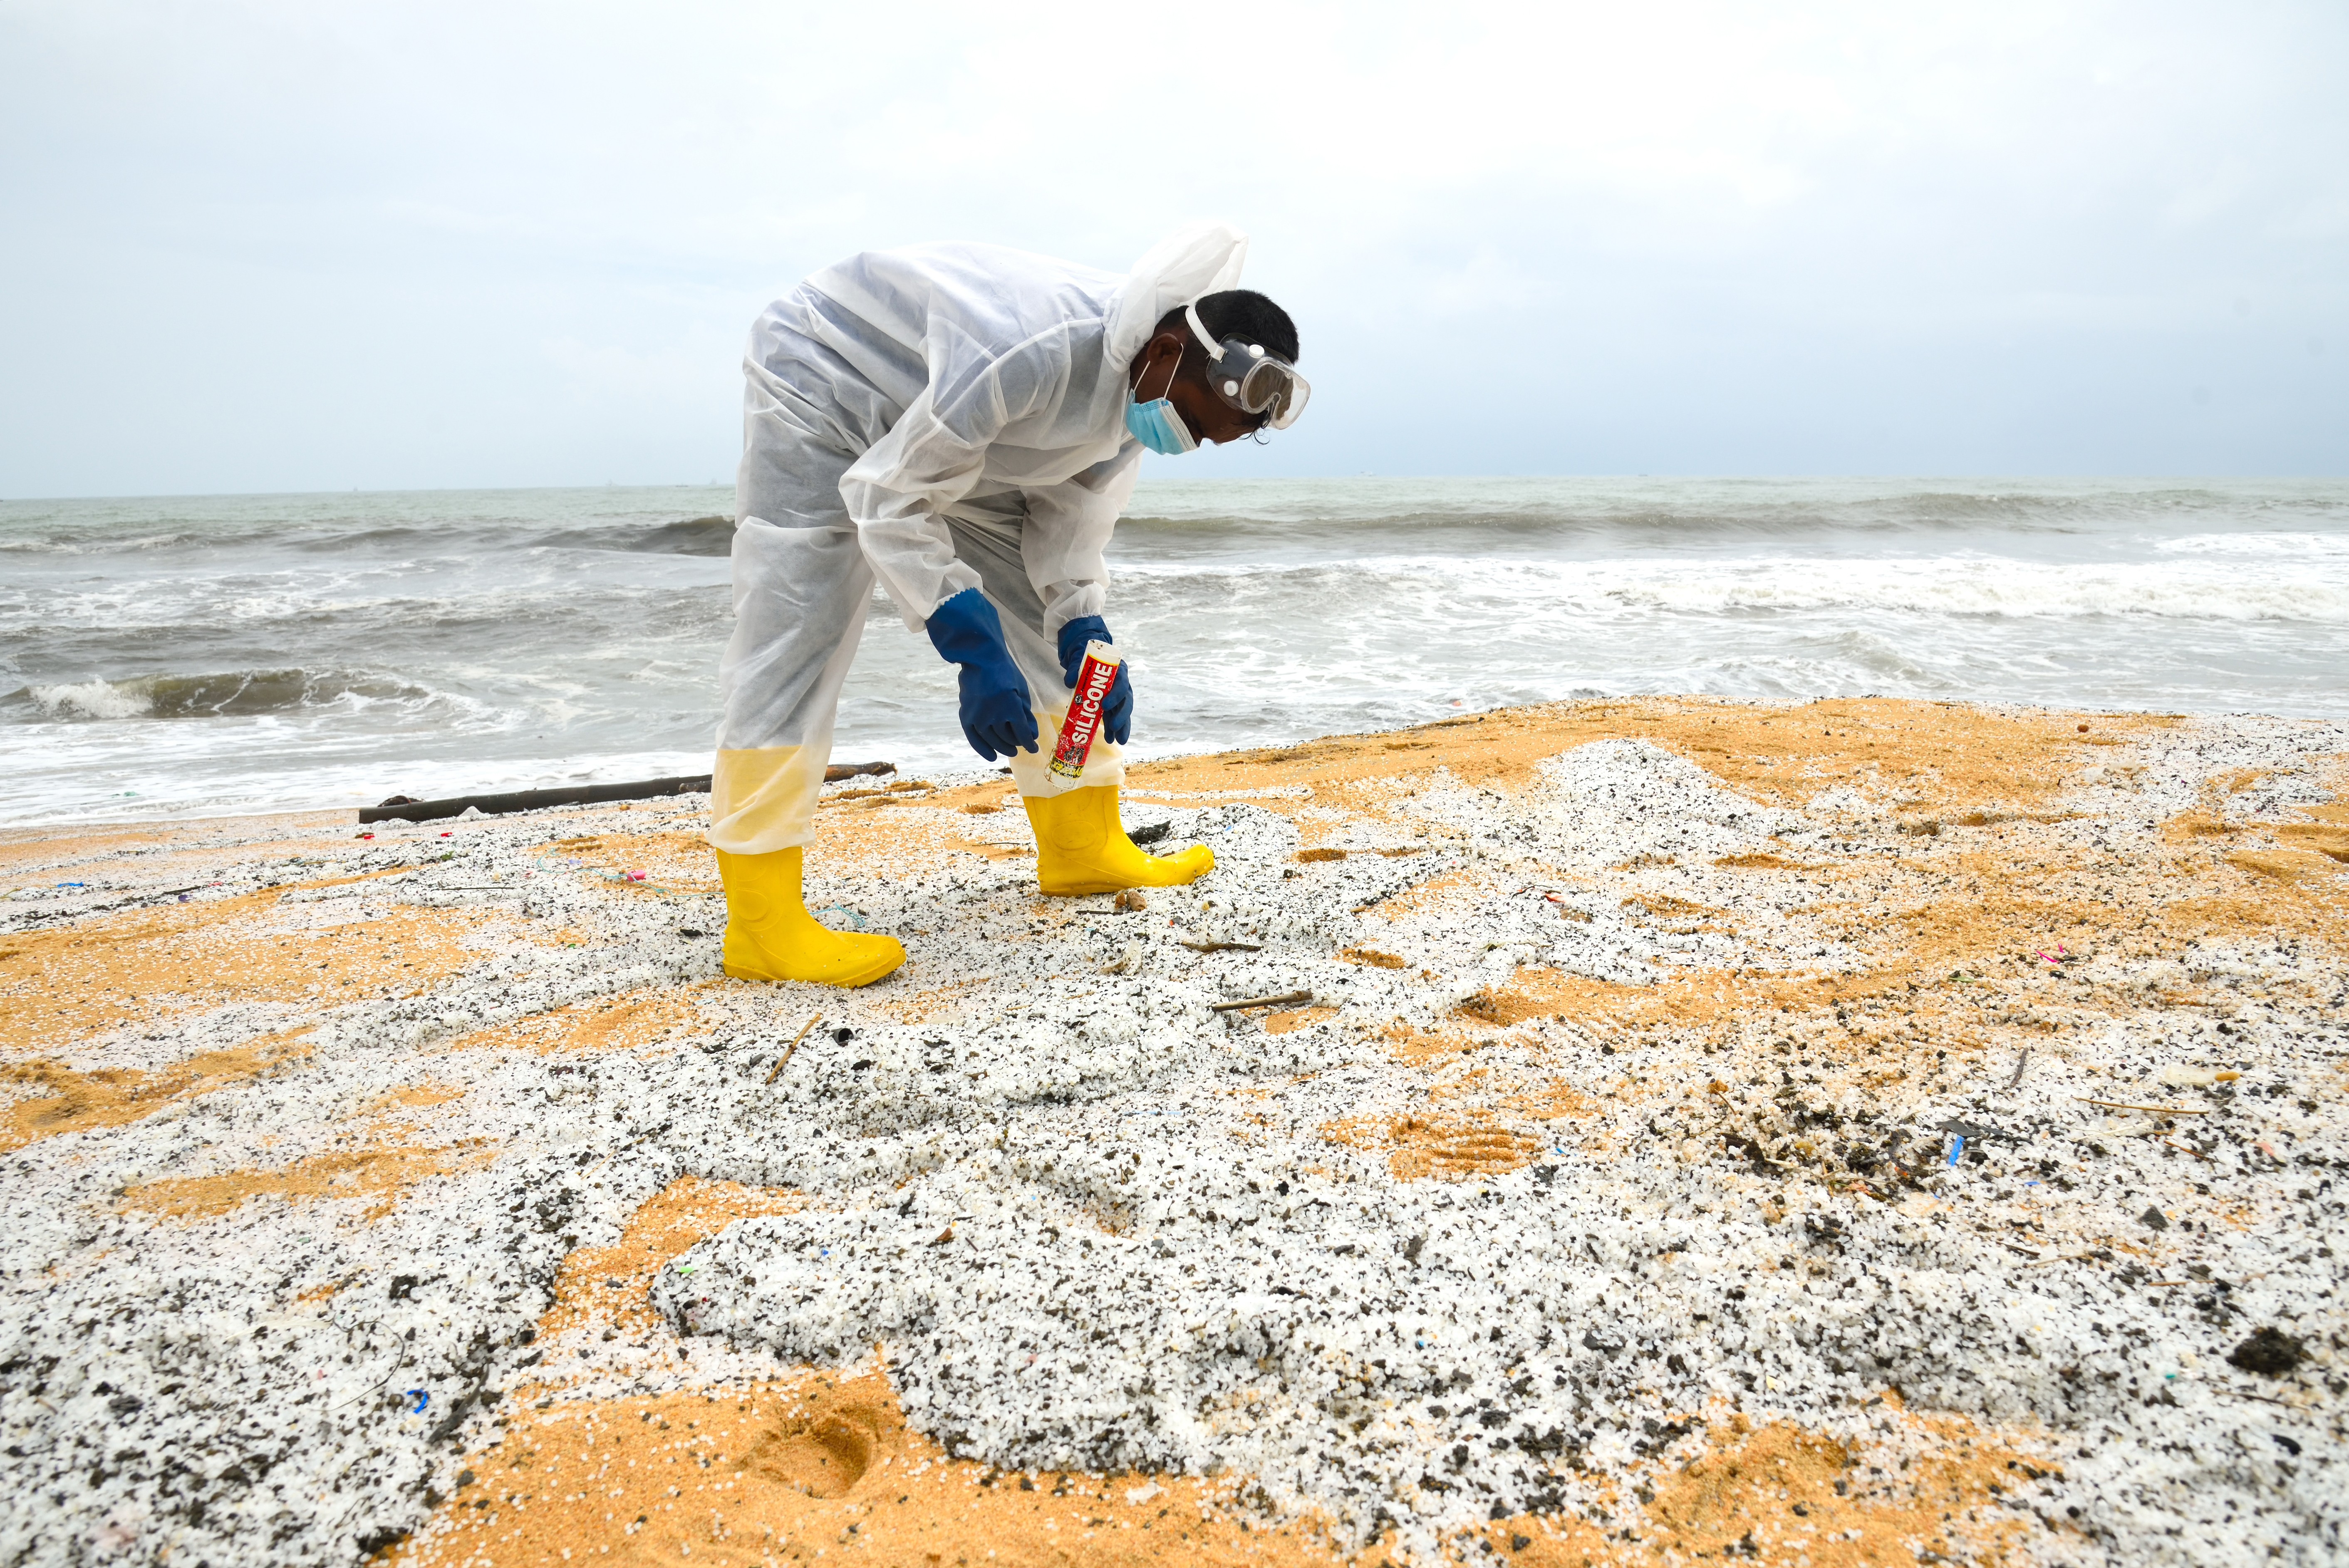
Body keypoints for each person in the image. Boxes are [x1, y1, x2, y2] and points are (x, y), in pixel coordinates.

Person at [709, 222, 1308, 989]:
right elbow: (890, 498)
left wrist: (1081, 616)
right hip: (829, 377)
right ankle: (761, 923)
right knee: (799, 627)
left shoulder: (1146, 393)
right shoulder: (1029, 351)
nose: (1187, 442)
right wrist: (969, 643)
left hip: (958, 426)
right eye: (1194, 425)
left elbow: (1069, 515)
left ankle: (1081, 845)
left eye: (1205, 439)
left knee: (1048, 626)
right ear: (1163, 353)